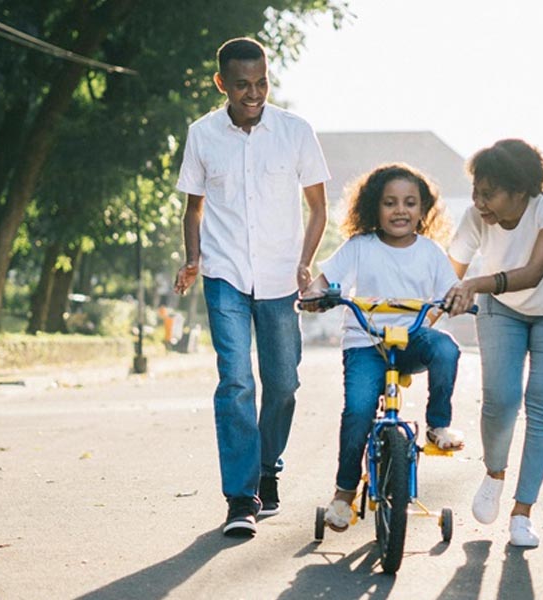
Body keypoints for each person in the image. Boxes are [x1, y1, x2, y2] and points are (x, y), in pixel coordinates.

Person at [173, 37, 330, 538]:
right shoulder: (202, 135)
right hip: (224, 274)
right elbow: (194, 208)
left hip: (281, 276)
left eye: (262, 82)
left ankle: (267, 469)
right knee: (237, 381)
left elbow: (318, 207)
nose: (254, 93)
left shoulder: (295, 131)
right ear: (222, 83)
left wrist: (305, 262)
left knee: (282, 384)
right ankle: (241, 497)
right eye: (242, 85)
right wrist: (193, 259)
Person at [301, 163, 464, 532]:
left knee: (446, 349)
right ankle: (344, 493)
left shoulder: (431, 252)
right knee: (358, 411)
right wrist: (314, 295)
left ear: (423, 210)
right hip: (366, 342)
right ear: (374, 206)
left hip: (411, 340)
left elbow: (449, 292)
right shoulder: (360, 247)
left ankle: (438, 425)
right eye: (390, 203)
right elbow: (324, 282)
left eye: (410, 203)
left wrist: (455, 302)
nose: (400, 210)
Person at [444, 138, 543, 548]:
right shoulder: (476, 217)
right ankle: (494, 473)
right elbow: (448, 276)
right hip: (501, 308)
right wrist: (423, 317)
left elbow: (534, 272)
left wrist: (474, 284)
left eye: (488, 194)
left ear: (520, 190)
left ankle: (522, 513)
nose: (478, 202)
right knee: (501, 399)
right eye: (475, 191)